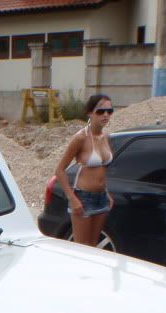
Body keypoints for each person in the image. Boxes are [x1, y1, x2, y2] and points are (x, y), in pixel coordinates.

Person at [54, 94, 115, 247]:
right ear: (90, 112)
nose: (106, 115)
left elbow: (102, 169)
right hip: (83, 198)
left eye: (109, 111)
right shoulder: (81, 138)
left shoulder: (106, 136)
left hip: (101, 198)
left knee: (94, 246)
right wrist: (72, 198)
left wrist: (106, 192)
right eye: (101, 111)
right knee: (82, 248)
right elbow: (60, 170)